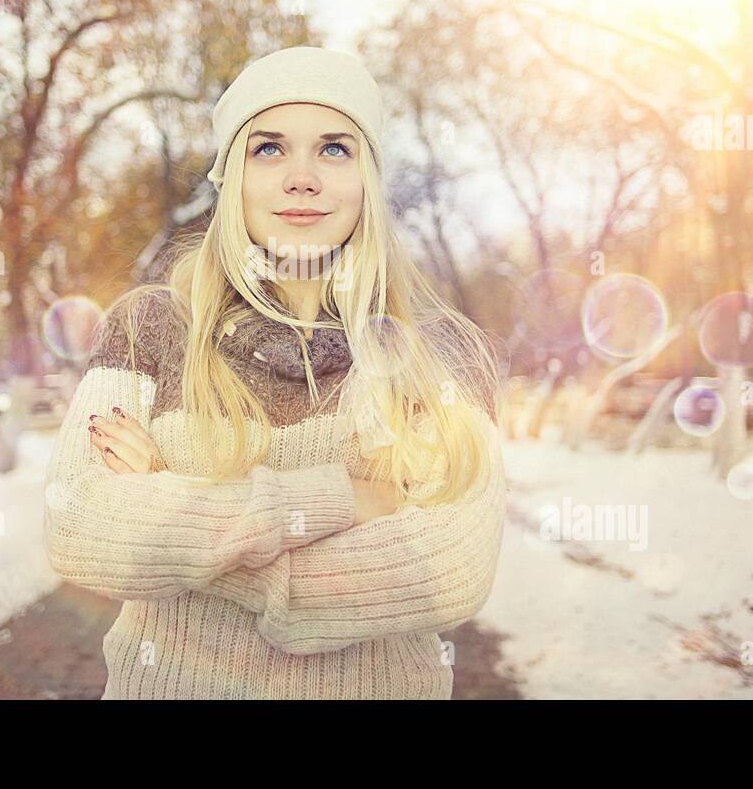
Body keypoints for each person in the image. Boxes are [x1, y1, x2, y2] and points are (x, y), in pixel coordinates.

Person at [43, 45, 508, 699]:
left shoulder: (442, 352)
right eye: (268, 149)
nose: (301, 177)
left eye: (334, 149)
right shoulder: (148, 328)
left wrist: (169, 502)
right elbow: (78, 525)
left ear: (367, 179)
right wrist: (345, 497)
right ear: (231, 177)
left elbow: (448, 571)